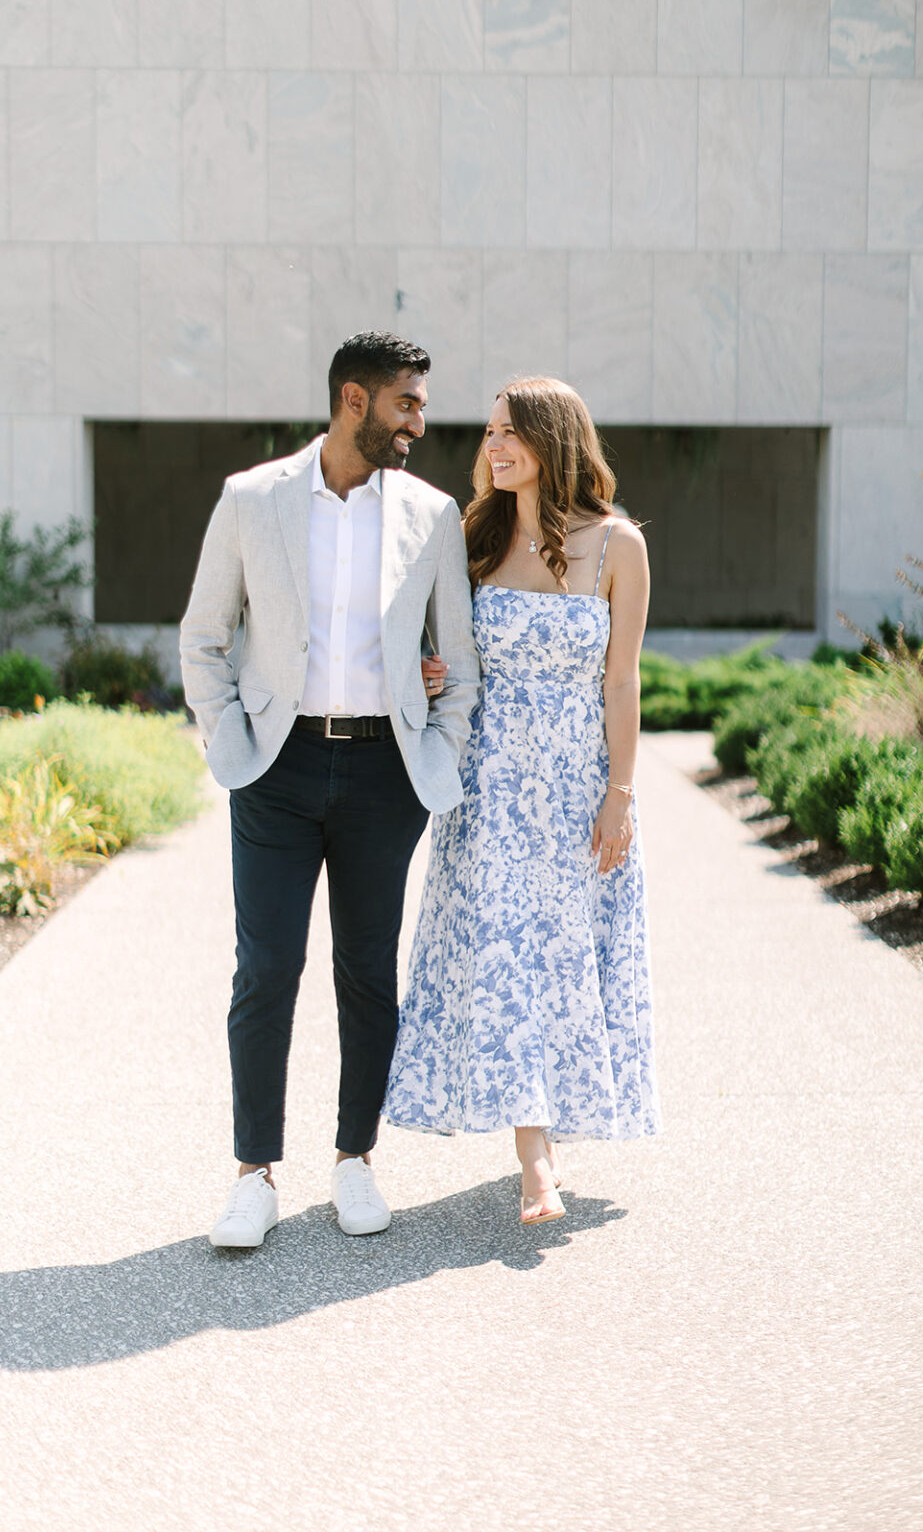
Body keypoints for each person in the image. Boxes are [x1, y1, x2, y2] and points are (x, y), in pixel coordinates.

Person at [180, 331, 479, 1247]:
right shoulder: (252, 499)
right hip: (277, 768)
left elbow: (456, 664)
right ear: (356, 400)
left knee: (366, 974)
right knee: (266, 968)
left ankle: (355, 1159)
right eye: (406, 404)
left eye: (420, 405)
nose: (418, 423)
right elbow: (203, 636)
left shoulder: (430, 516)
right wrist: (233, 746)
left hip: (386, 772)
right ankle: (254, 1174)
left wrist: (438, 749)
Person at [386, 376, 661, 1225]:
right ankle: (535, 1159)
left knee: (567, 959)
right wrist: (433, 674)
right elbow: (445, 655)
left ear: (555, 440)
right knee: (507, 960)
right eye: (490, 433)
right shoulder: (474, 534)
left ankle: (547, 1132)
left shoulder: (618, 547)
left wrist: (620, 794)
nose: (494, 446)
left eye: (512, 433)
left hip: (578, 787)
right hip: (492, 792)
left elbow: (622, 681)